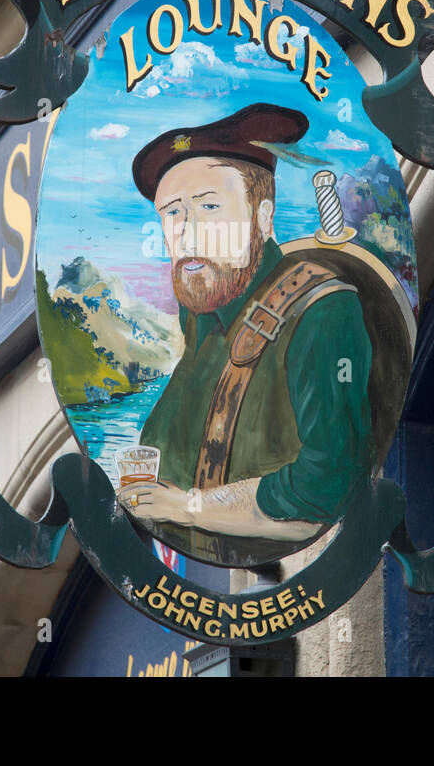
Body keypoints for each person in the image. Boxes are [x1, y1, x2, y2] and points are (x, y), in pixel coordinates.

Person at [116, 103, 375, 554]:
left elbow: (327, 485)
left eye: (209, 206)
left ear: (263, 217)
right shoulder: (199, 315)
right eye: (172, 213)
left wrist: (187, 507)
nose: (187, 233)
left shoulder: (321, 312)